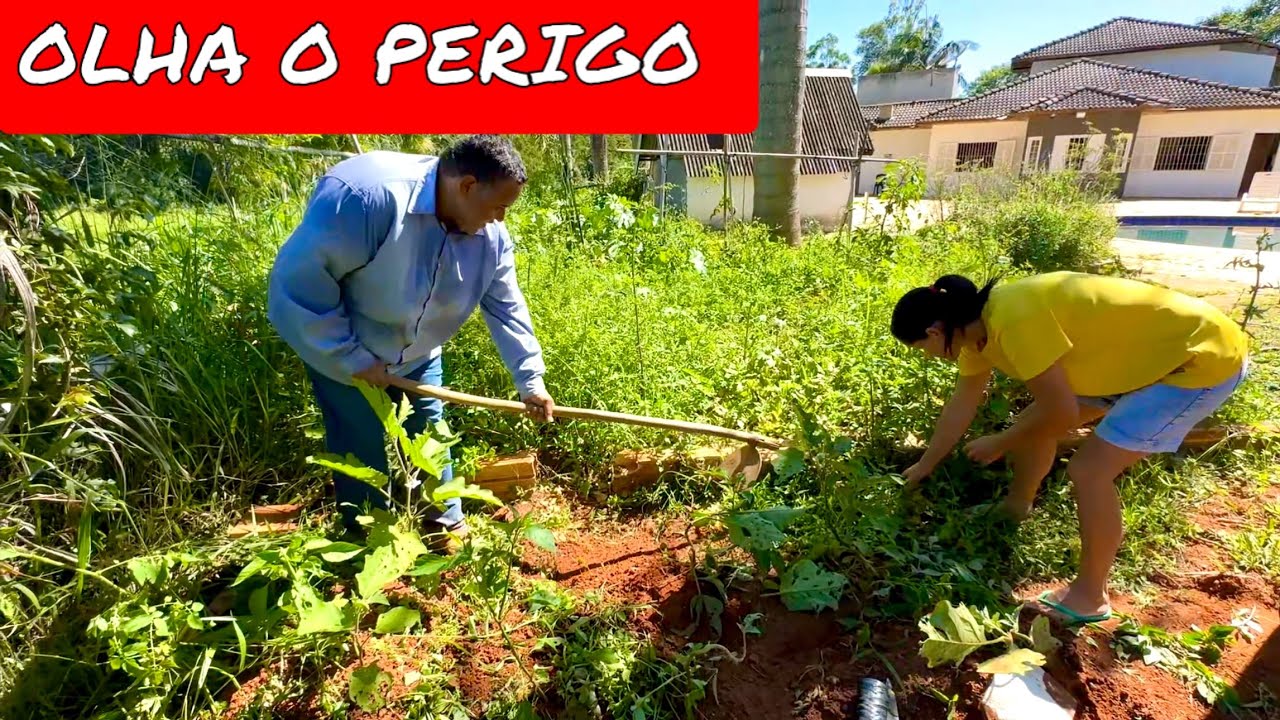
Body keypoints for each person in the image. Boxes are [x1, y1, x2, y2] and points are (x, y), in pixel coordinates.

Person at [890, 270, 1250, 624]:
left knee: (1089, 471)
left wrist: (1001, 442)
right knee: (1034, 422)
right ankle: (1016, 506)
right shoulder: (974, 333)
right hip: (1139, 358)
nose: (927, 356)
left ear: (934, 332)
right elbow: (962, 403)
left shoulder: (1013, 320)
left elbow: (1062, 413)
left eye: (922, 348)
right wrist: (926, 464)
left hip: (1196, 362)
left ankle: (1090, 596)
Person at [267, 135, 555, 548]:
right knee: (359, 450)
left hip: (418, 351)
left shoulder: (490, 238)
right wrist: (350, 358)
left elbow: (506, 308)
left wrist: (531, 382)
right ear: (467, 186)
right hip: (346, 349)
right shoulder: (367, 200)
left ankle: (442, 523)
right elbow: (298, 287)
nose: (500, 219)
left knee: (430, 434)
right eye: (498, 207)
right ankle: (364, 540)